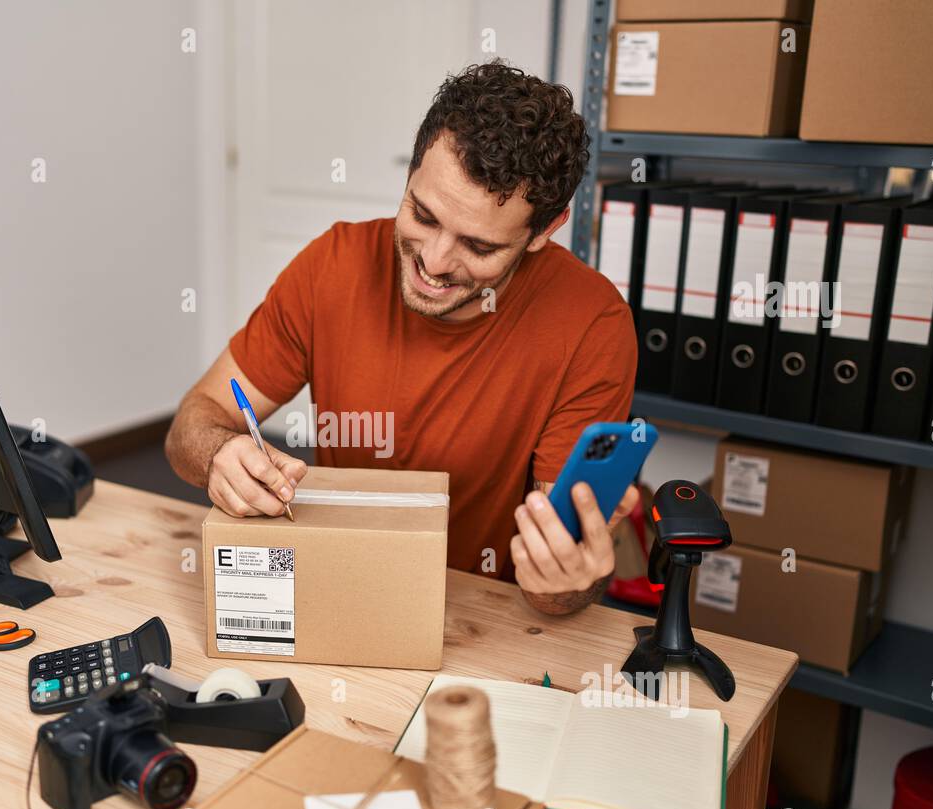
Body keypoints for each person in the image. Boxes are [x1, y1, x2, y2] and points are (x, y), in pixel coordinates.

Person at [166, 61, 638, 616]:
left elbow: (555, 600)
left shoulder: (592, 325)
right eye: (422, 214)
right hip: (341, 589)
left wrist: (566, 577)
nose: (434, 263)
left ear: (544, 231)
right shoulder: (332, 266)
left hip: (483, 614)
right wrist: (220, 452)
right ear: (410, 174)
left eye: (479, 248)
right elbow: (190, 426)